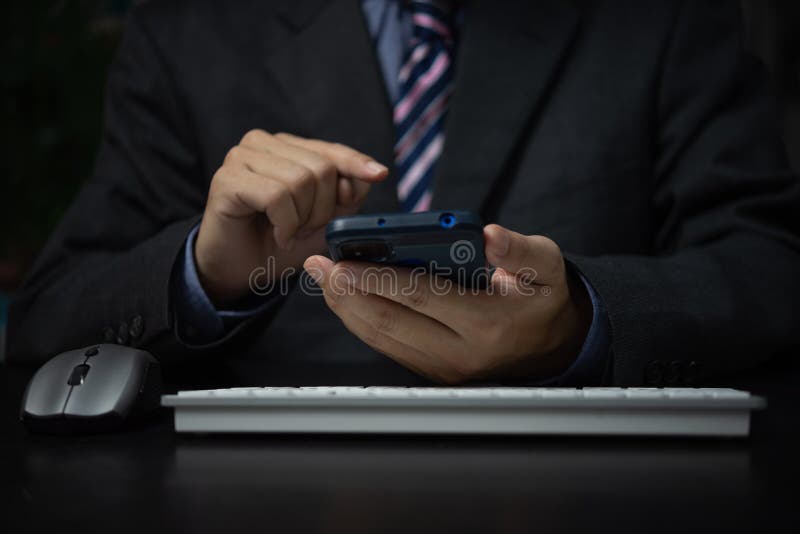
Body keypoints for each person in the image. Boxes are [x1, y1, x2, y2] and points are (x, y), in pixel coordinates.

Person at [7, 0, 800, 388]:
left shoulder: (660, 16)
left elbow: (771, 268)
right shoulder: (192, 27)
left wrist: (580, 323)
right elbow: (46, 321)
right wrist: (205, 277)